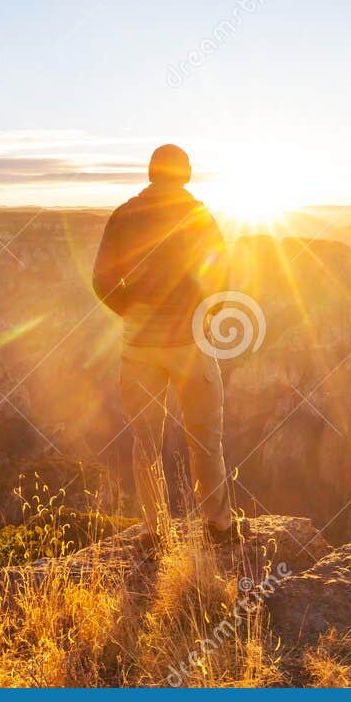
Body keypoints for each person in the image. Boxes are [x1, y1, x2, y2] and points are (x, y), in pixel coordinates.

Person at [92, 144, 240, 543]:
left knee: (145, 442)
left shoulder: (124, 215)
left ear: (150, 172)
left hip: (139, 344)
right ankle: (218, 526)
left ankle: (155, 532)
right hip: (189, 342)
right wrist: (205, 313)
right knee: (204, 437)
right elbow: (221, 274)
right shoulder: (198, 217)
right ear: (186, 174)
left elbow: (102, 281)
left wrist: (135, 314)